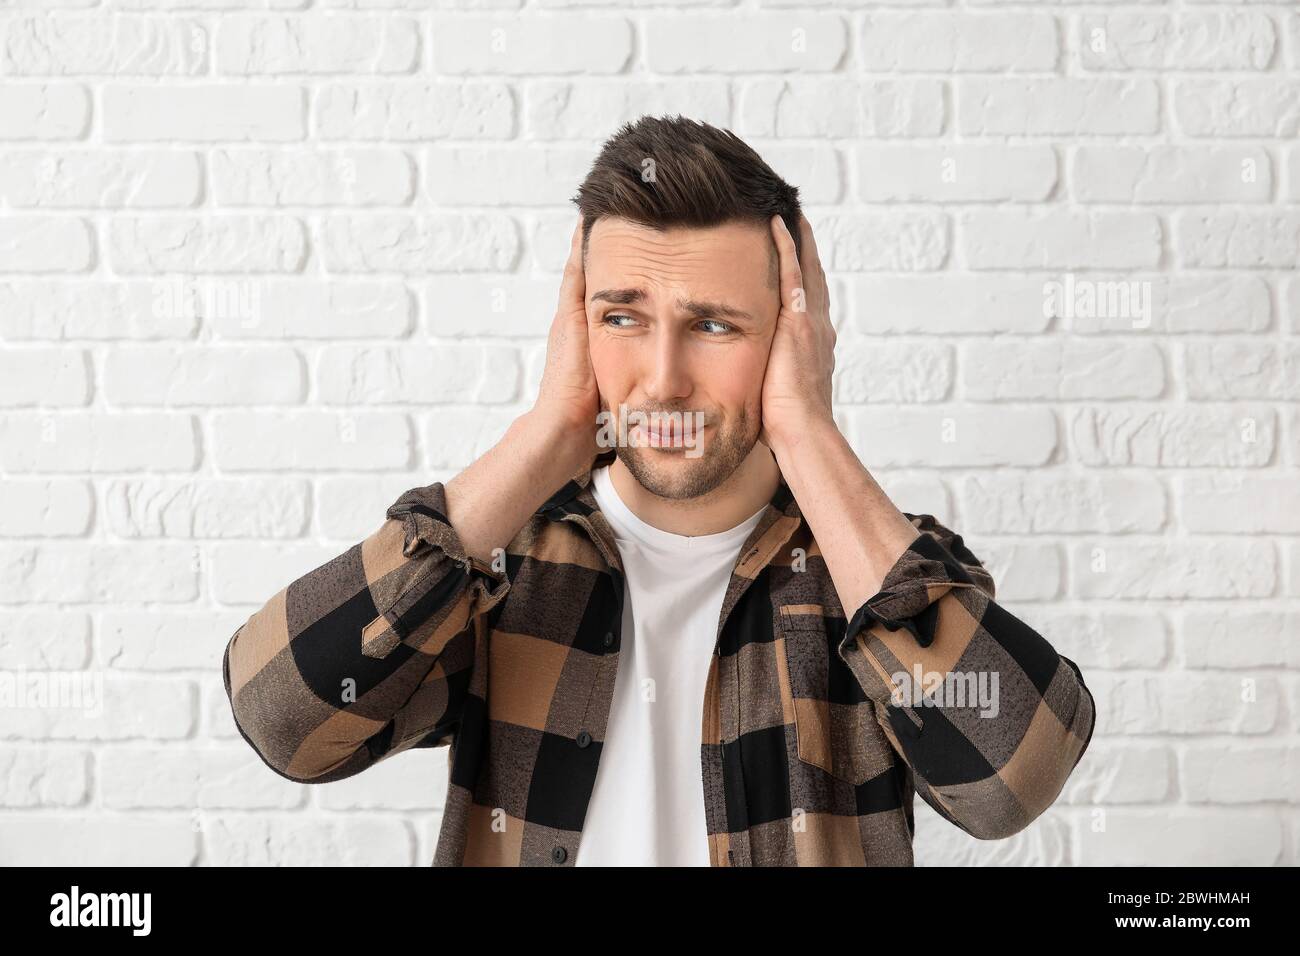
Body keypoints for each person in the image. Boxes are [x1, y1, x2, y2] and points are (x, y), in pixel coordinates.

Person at [223, 115, 1096, 866]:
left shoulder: (877, 575)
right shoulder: (501, 563)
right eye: (623, 317)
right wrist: (547, 435)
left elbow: (1011, 784)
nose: (664, 378)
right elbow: (284, 723)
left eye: (713, 324)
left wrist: (808, 429)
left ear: (793, 335)